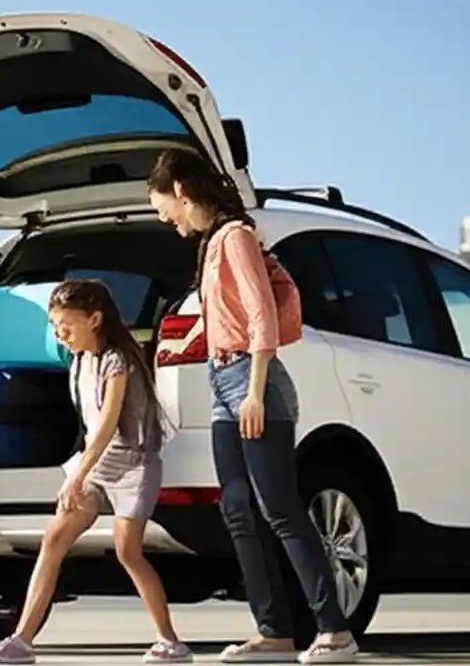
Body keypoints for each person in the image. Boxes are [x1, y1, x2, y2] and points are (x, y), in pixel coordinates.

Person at [145, 148, 359, 664]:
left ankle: (335, 631)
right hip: (223, 380)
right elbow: (225, 313)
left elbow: (262, 316)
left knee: (280, 508)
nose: (161, 217)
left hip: (251, 379)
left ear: (179, 189)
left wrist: (256, 392)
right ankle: (275, 635)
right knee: (237, 507)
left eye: (159, 206)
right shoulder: (211, 245)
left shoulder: (235, 236)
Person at [0, 279, 194, 665]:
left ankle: (169, 640)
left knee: (129, 551)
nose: (60, 334)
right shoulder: (79, 361)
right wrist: (79, 473)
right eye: (55, 325)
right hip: (95, 466)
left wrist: (77, 476)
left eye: (67, 325)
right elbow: (91, 428)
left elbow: (109, 422)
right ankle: (21, 640)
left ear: (94, 319)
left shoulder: (117, 360)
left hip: (132, 466)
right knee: (55, 537)